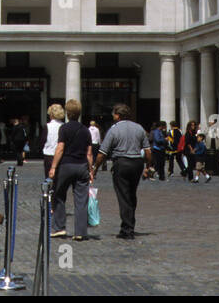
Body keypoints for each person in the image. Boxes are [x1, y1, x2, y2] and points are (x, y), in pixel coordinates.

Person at [93, 104, 152, 239]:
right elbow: (148, 151)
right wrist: (148, 167)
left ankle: (127, 228)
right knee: (132, 194)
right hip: (137, 163)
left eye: (113, 114)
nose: (113, 116)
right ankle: (130, 223)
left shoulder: (114, 130)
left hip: (121, 163)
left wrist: (95, 167)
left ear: (118, 116)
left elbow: (103, 152)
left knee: (123, 195)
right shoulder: (139, 128)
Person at [50, 98, 94, 240]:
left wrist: (53, 167)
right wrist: (91, 170)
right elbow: (89, 154)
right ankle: (80, 232)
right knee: (81, 200)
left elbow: (60, 148)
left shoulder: (64, 128)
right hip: (81, 166)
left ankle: (59, 228)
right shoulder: (86, 130)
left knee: (59, 195)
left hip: (66, 165)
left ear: (67, 113)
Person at [43, 104, 65, 175]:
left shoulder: (47, 126)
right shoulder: (64, 126)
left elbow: (42, 141)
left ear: (51, 114)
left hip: (49, 155)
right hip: (62, 156)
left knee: (49, 179)